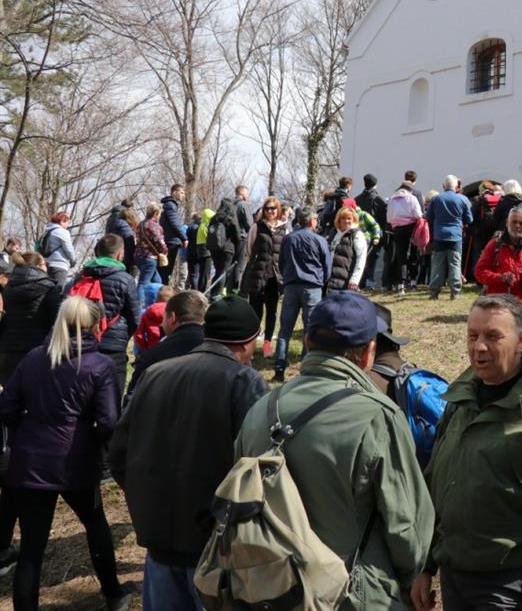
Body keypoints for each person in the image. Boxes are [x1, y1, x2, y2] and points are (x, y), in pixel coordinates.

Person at [237, 291, 434, 608]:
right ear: (369, 352)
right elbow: (407, 530)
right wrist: (409, 575)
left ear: (310, 344)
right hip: (352, 593)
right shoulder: (377, 417)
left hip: (270, 588)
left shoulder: (261, 409)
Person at [411, 295, 522, 611]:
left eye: (493, 336)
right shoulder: (460, 397)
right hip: (456, 576)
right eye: (472, 335)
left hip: (514, 584)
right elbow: (435, 486)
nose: (479, 347)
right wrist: (425, 565)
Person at [110, 295, 268, 610]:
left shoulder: (155, 371)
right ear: (249, 342)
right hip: (215, 547)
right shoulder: (243, 380)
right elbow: (261, 466)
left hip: (159, 538)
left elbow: (118, 453)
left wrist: (146, 499)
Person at [0, 297, 133, 611]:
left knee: (32, 547)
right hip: (75, 463)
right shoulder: (99, 365)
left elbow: (6, 408)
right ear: (95, 325)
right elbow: (110, 421)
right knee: (95, 525)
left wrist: (28, 430)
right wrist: (93, 441)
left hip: (31, 462)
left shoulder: (34, 358)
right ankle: (113, 593)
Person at [69, 235, 140, 400]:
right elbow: (135, 318)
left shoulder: (80, 277)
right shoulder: (126, 279)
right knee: (110, 400)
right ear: (119, 254)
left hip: (81, 344)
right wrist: (123, 338)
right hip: (113, 347)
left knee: (81, 399)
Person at [274, 208, 332, 382]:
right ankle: (306, 369)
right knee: (310, 329)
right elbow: (327, 267)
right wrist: (321, 281)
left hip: (291, 286)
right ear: (312, 221)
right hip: (312, 287)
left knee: (285, 330)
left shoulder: (288, 239)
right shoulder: (320, 240)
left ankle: (279, 367)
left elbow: (281, 262)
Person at [125, 290, 208, 400]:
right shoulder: (222, 353)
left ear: (172, 318)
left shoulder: (152, 357)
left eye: (164, 317)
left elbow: (132, 401)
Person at [475, 206, 522, 317]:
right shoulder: (494, 245)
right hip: (497, 307)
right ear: (506, 222)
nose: (517, 226)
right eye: (514, 222)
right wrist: (500, 278)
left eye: (521, 223)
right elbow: (479, 272)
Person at [0, 252, 61, 385]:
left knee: (9, 400)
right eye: (45, 264)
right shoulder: (50, 288)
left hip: (7, 351)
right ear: (39, 266)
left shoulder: (7, 288)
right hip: (37, 351)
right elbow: (55, 323)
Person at [240, 196, 284, 357]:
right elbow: (249, 249)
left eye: (273, 208)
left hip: (275, 278)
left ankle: (267, 344)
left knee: (271, 311)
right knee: (255, 311)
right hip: (257, 275)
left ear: (278, 210)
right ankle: (250, 344)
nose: (270, 211)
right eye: (267, 208)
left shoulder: (284, 228)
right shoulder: (256, 227)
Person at [426, 175, 473, 300]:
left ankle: (434, 292)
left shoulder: (436, 199)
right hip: (455, 236)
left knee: (437, 264)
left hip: (439, 235)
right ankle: (455, 292)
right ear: (456, 186)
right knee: (455, 264)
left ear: (443, 186)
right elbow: (469, 219)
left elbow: (428, 216)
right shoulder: (462, 200)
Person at [386, 182, 423, 295]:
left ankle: (401, 284)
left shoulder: (392, 199)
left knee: (401, 255)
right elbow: (418, 215)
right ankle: (412, 282)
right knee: (413, 254)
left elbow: (389, 218)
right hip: (411, 228)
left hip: (398, 229)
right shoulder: (412, 198)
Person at [356, 173, 389, 289]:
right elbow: (384, 218)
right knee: (373, 258)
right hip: (374, 233)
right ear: (375, 184)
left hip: (359, 233)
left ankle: (359, 281)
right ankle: (370, 281)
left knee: (360, 257)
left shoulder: (357, 199)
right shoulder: (378, 199)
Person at [327, 206, 368, 292]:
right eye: (343, 218)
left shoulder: (357, 235)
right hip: (330, 280)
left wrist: (355, 279)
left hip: (347, 282)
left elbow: (361, 259)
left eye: (349, 218)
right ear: (339, 219)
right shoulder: (334, 234)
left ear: (353, 219)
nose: (346, 221)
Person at [134, 285, 176, 353]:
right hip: (170, 349)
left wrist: (145, 348)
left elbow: (139, 334)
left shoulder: (148, 312)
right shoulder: (174, 313)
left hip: (152, 349)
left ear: (156, 297)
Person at [159, 184, 188, 284]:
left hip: (170, 240)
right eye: (181, 192)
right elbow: (174, 223)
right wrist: (184, 238)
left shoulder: (171, 205)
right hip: (170, 241)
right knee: (165, 270)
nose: (183, 195)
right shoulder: (170, 205)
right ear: (174, 192)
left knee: (165, 271)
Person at [135, 201, 168, 287]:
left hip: (138, 256)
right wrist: (165, 252)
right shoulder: (154, 225)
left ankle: (155, 299)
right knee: (143, 283)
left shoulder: (140, 224)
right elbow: (160, 241)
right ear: (156, 213)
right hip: (149, 258)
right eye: (160, 213)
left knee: (157, 281)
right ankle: (140, 300)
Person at [39, 211, 77, 287]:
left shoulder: (46, 232)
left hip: (45, 265)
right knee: (57, 291)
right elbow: (69, 249)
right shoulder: (62, 232)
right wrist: (73, 261)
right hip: (59, 266)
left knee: (45, 290)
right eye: (68, 222)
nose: (68, 224)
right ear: (62, 221)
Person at [105, 202, 136, 272]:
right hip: (122, 254)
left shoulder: (110, 218)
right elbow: (129, 239)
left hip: (111, 250)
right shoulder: (123, 222)